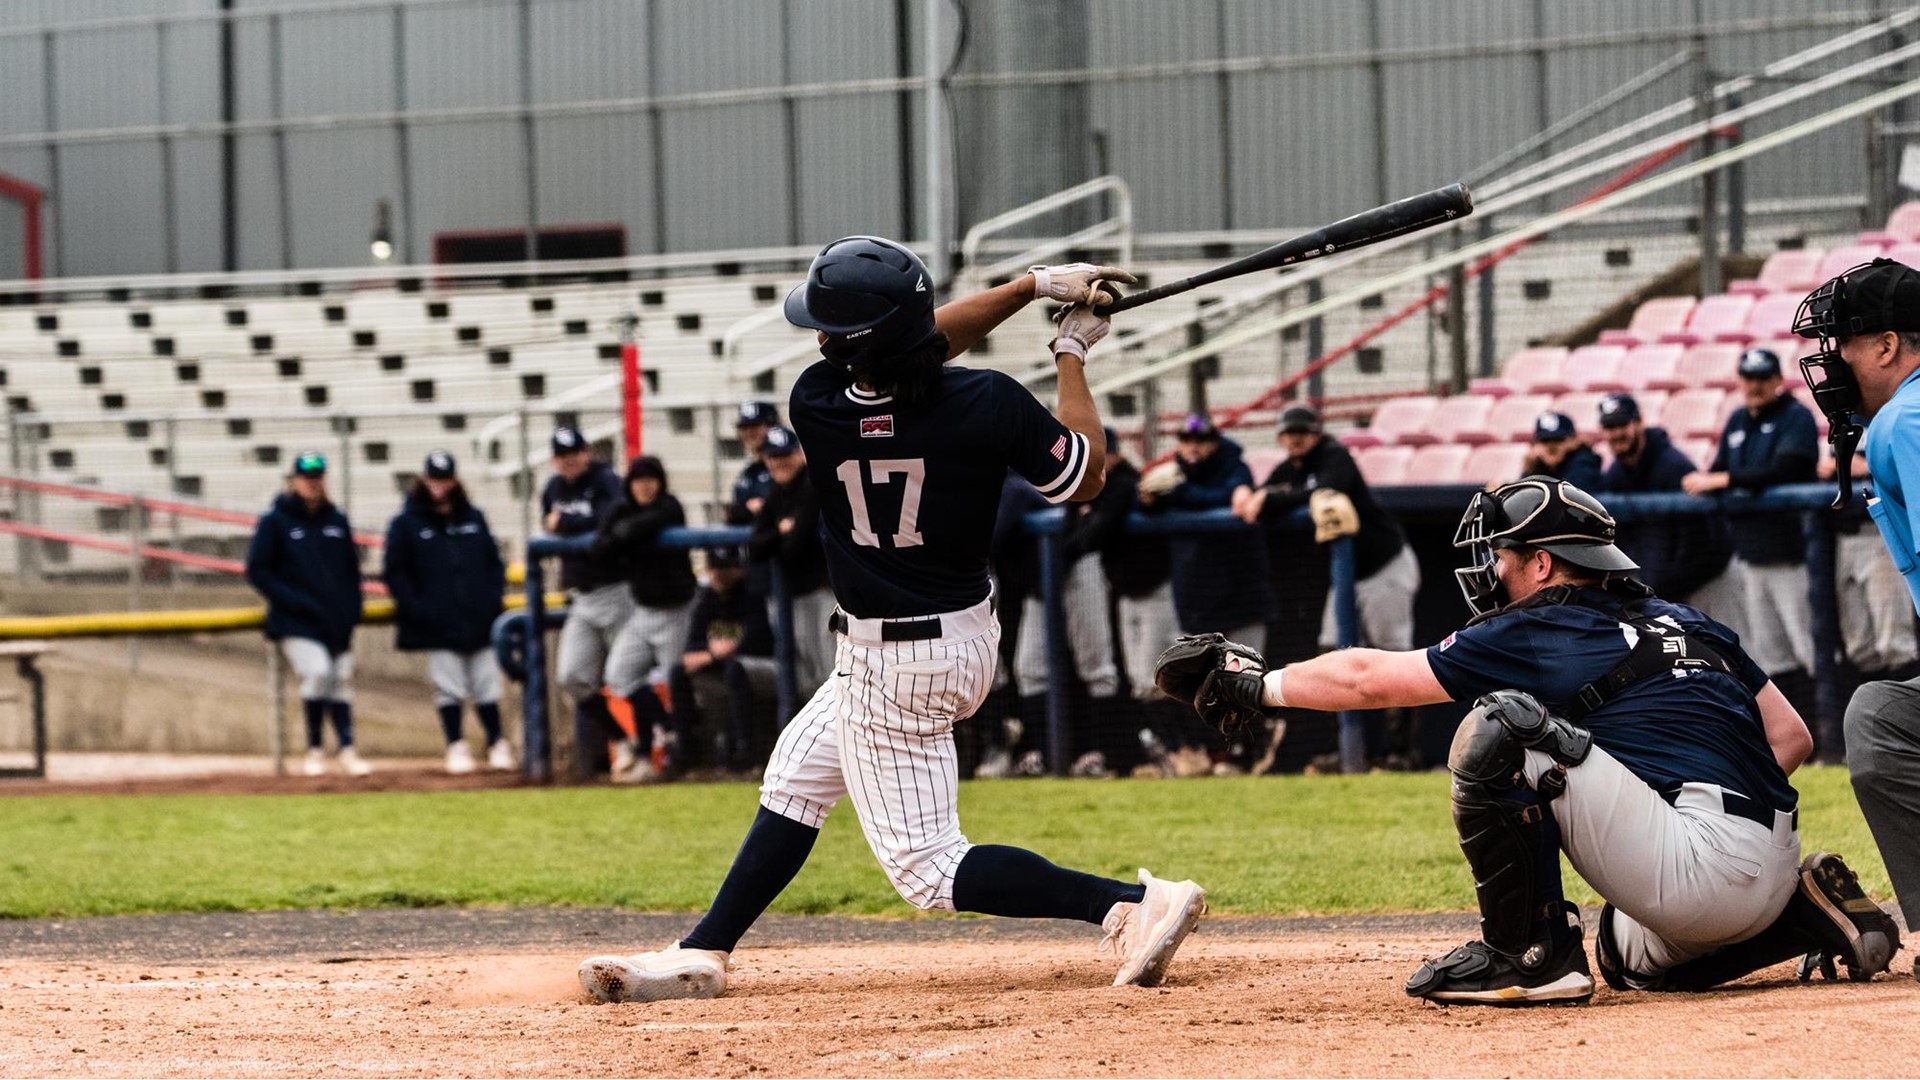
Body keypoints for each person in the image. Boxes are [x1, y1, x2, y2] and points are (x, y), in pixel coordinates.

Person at [579, 244, 1206, 1002]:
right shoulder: (989, 402)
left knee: (929, 869)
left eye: (832, 331)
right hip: (959, 637)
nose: (818, 341)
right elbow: (1085, 473)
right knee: (797, 778)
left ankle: (1132, 905)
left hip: (895, 661)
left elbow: (915, 346)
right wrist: (1070, 350)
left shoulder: (814, 402)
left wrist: (1028, 288)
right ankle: (706, 948)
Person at [1160, 477, 1899, 1004]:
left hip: (1697, 866)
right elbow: (1793, 736)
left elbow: (1367, 679)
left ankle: (1530, 957)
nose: (1493, 569)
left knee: (1505, 728)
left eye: (1504, 555)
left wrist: (1258, 684)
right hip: (1766, 861)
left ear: (1542, 564)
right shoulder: (1687, 620)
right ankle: (1803, 915)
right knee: (1625, 956)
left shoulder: (1544, 622)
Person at [1793, 255, 1920, 973]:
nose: (1832, 362)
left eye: (1843, 342)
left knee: (1879, 720)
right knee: (1883, 713)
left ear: (1886, 346)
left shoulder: (1906, 417)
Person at [1233, 403, 1420, 767]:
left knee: (1394, 653)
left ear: (1316, 433)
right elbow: (1263, 496)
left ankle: (1401, 753)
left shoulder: (1335, 455)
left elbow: (1324, 489)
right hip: (1347, 574)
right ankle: (1348, 750)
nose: (1295, 440)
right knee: (1332, 650)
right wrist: (1250, 494)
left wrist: (1270, 498)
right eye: (1289, 434)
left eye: (1302, 432)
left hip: (1384, 565)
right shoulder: (1291, 467)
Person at [1681, 347, 1820, 711]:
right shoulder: (1739, 420)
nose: (1755, 386)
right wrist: (1723, 479)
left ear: (1777, 380)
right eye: (1749, 378)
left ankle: (1833, 734)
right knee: (1771, 652)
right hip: (1751, 551)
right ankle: (1807, 736)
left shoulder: (1796, 416)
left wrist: (1726, 479)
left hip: (1794, 552)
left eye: (1762, 378)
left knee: (1810, 646)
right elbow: (1718, 470)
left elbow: (1788, 468)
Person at [383, 450, 513, 775]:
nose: (439, 486)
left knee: (486, 685)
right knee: (450, 686)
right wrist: (418, 607)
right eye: (434, 479)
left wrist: (491, 599)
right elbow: (395, 571)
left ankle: (497, 741)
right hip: (438, 623)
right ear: (425, 480)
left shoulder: (473, 518)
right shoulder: (406, 523)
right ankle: (456, 744)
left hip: (478, 618)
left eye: (445, 479)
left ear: (455, 480)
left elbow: (493, 564)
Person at [1010, 429, 1131, 776]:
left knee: (1096, 666)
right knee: (1030, 668)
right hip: (1039, 578)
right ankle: (1042, 755)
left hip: (1081, 570)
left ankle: (1099, 754)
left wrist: (1069, 543)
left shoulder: (1115, 483)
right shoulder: (1025, 478)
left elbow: (1096, 530)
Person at [245, 451, 369, 777]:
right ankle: (315, 749)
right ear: (293, 480)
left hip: (334, 620)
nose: (312, 484)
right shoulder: (276, 521)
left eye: (317, 478)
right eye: (305, 478)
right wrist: (292, 600)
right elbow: (258, 570)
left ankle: (347, 749)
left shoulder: (336, 520)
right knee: (316, 673)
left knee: (340, 680)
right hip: (296, 620)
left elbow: (351, 571)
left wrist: (352, 608)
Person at [590, 455, 698, 780]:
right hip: (643, 611)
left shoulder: (670, 505)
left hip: (678, 609)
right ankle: (664, 727)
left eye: (651, 479)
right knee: (620, 675)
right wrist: (625, 533)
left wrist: (627, 534)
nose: (645, 486)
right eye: (638, 480)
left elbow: (644, 524)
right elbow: (600, 546)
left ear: (660, 482)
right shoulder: (622, 509)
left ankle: (685, 758)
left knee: (679, 683)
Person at [1595, 392, 1740, 620]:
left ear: (1639, 422)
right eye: (1610, 427)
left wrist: (1669, 583)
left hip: (1708, 580)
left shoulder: (1672, 465)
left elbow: (1706, 535)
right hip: (1662, 588)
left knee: (1727, 645)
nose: (1617, 433)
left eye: (1622, 424)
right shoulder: (1614, 475)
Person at [540, 426, 632, 780]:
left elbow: (610, 518)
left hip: (618, 589)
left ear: (586, 452)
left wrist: (567, 522)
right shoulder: (553, 487)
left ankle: (653, 749)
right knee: (574, 677)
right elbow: (549, 524)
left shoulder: (605, 479)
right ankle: (621, 740)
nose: (568, 461)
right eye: (561, 456)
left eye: (574, 453)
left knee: (625, 676)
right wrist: (565, 524)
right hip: (581, 593)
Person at [666, 547, 776, 773]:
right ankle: (686, 751)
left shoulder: (751, 595)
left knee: (735, 669)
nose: (719, 574)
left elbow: (757, 641)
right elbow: (691, 648)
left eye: (725, 568)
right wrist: (715, 653)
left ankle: (745, 751)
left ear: (739, 569)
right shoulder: (707, 598)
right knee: (679, 671)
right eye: (715, 567)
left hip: (761, 668)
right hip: (721, 665)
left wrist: (714, 653)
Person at [745, 424, 835, 696]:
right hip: (795, 593)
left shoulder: (812, 485)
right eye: (773, 457)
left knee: (831, 673)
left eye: (785, 455)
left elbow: (791, 548)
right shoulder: (776, 494)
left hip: (824, 591)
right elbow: (754, 549)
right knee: (807, 677)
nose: (779, 462)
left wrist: (778, 536)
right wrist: (779, 531)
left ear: (799, 454)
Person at [1520, 411, 1603, 489]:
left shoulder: (1584, 461)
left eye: (1558, 440)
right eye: (1545, 440)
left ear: (1573, 441)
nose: (1551, 446)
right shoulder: (1535, 465)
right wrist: (1532, 468)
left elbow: (1570, 495)